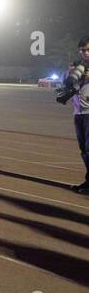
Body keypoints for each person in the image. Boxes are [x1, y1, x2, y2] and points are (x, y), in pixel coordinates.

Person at [54, 37, 89, 193]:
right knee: (84, 150)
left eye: (88, 50)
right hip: (79, 114)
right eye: (83, 50)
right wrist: (73, 74)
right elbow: (64, 84)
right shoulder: (77, 67)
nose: (86, 53)